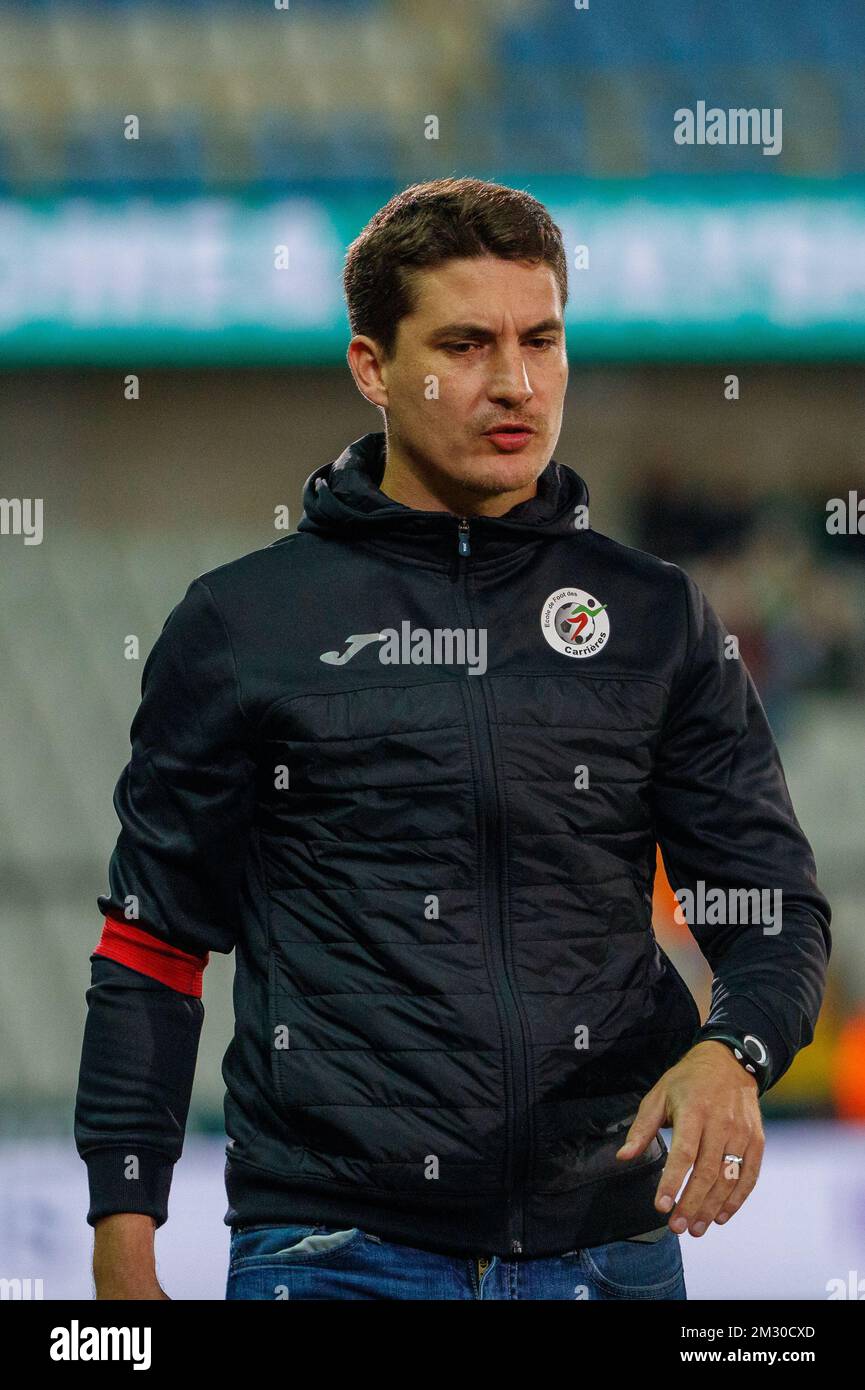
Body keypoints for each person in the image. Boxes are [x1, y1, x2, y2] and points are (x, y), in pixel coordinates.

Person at [74, 177, 831, 1301]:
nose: (515, 383)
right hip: (335, 1257)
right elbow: (151, 949)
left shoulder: (657, 616)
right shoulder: (242, 626)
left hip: (613, 1251)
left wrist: (734, 1051)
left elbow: (770, 907)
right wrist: (122, 1241)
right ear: (371, 366)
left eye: (542, 339)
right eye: (466, 344)